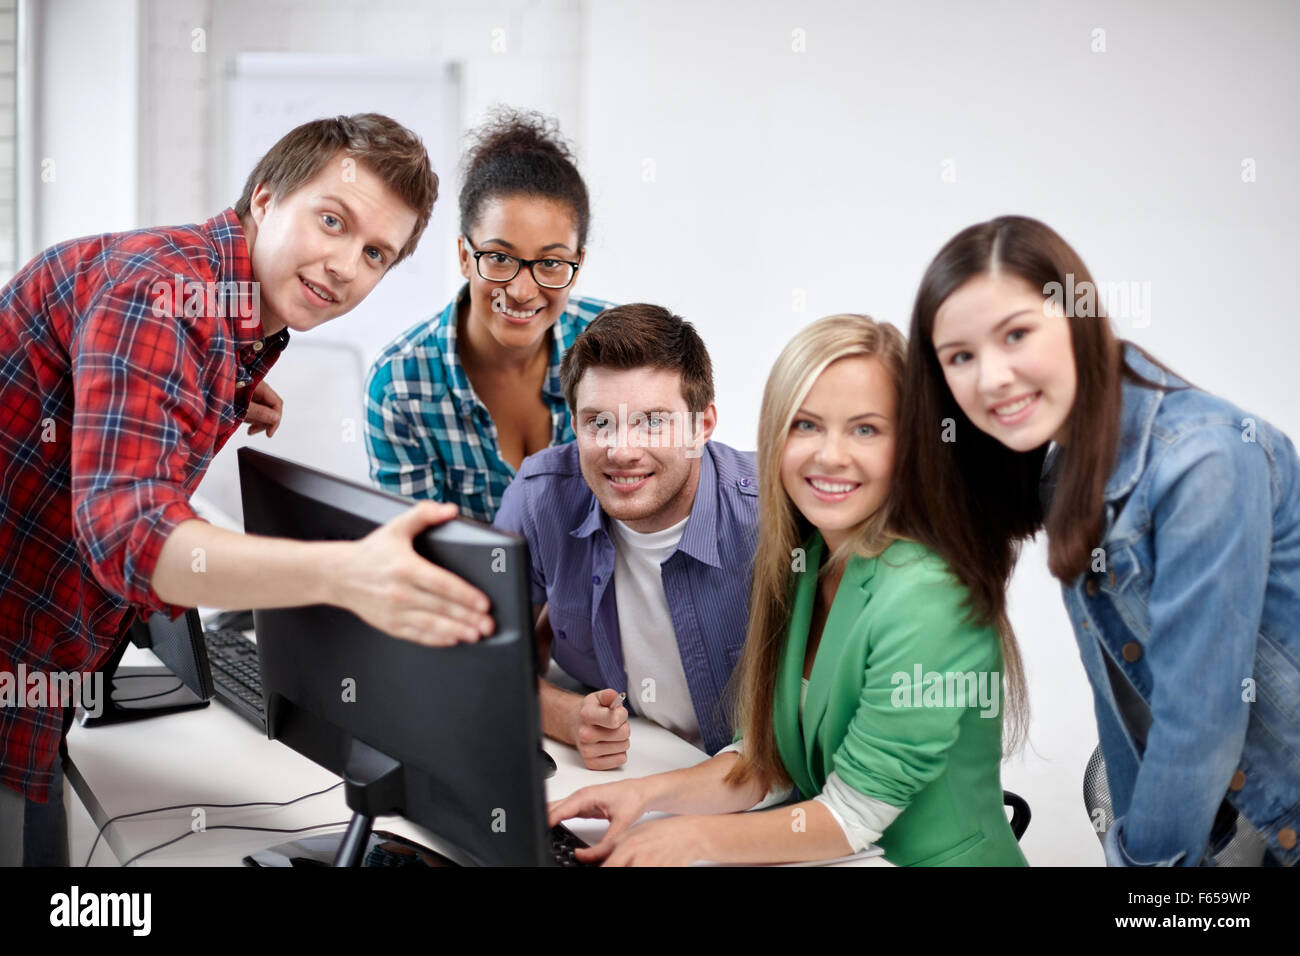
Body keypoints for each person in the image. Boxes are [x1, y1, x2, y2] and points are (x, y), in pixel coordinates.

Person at [0, 114, 497, 867]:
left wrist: (225, 394)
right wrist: (343, 574)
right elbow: (129, 536)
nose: (344, 266)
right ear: (264, 198)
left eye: (374, 253)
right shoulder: (161, 293)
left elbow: (115, 430)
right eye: (331, 221)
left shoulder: (229, 318)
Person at [892, 214, 1299, 867]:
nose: (991, 378)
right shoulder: (1064, 473)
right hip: (1234, 820)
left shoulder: (1204, 462)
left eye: (1016, 334)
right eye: (960, 357)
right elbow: (1124, 703)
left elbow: (1201, 723)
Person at [548, 314, 1028, 865]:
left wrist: (692, 838)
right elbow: (769, 757)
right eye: (805, 425)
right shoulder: (808, 559)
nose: (830, 455)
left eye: (865, 429)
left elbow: (853, 814)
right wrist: (645, 794)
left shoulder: (929, 592)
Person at [493, 304, 758, 769]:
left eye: (653, 421)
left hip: (762, 792)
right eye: (599, 422)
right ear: (574, 425)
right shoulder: (540, 498)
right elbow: (479, 658)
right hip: (627, 771)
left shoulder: (772, 514)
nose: (622, 451)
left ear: (702, 427)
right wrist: (563, 714)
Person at [366, 109, 614, 522]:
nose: (521, 290)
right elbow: (414, 553)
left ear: (578, 263)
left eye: (551, 263)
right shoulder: (400, 385)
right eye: (499, 257)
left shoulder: (615, 347)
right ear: (465, 255)